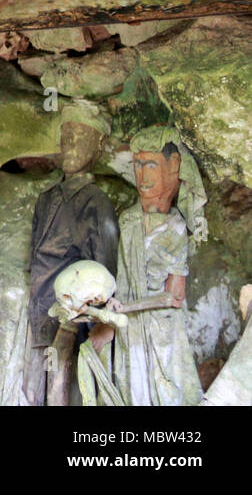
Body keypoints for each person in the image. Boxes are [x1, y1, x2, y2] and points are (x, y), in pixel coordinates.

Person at [92, 127, 207, 406]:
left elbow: (174, 298)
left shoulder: (177, 227)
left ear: (173, 167)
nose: (142, 175)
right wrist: (108, 318)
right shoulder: (129, 219)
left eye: (151, 164)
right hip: (127, 329)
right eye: (138, 164)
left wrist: (125, 310)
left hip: (163, 336)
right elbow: (122, 277)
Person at [24, 108, 120, 405]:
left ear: (98, 146)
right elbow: (34, 255)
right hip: (40, 303)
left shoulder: (96, 202)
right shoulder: (46, 198)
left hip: (73, 311)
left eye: (81, 138)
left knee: (70, 380)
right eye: (66, 137)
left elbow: (104, 267)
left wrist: (95, 314)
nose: (71, 145)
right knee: (37, 378)